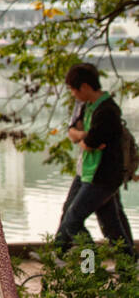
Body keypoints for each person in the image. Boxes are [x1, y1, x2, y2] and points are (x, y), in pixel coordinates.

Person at [54, 62, 134, 254]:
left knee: (73, 220)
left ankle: (91, 266)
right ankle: (128, 272)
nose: (73, 94)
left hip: (102, 178)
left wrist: (83, 137)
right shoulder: (89, 106)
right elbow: (78, 135)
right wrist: (84, 136)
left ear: (85, 86)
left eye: (73, 89)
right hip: (88, 174)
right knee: (112, 228)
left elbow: (89, 142)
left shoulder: (107, 111)